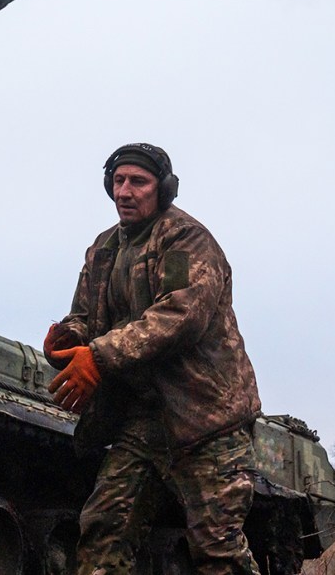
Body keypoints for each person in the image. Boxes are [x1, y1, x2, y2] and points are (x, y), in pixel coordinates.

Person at [46, 143, 263, 575]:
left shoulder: (183, 241)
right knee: (103, 533)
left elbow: (180, 315)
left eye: (138, 182)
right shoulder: (104, 248)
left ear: (163, 189)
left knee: (218, 554)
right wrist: (69, 339)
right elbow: (87, 317)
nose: (124, 191)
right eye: (118, 181)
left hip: (206, 420)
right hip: (142, 420)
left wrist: (100, 355)